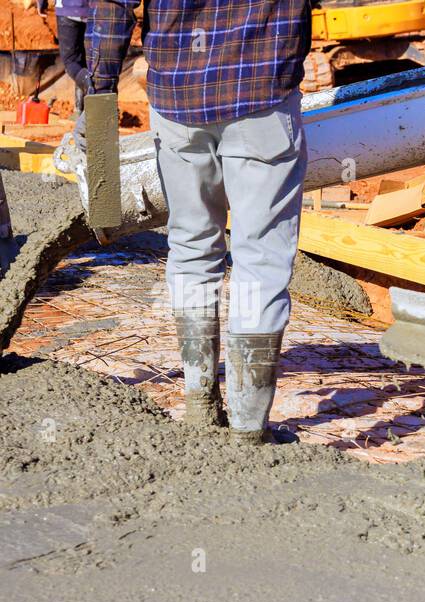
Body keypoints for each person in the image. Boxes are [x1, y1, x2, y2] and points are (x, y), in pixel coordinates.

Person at [84, 0, 312, 444]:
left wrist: (98, 97)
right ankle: (248, 431)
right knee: (259, 263)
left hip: (178, 101)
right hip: (261, 94)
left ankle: (200, 404)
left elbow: (112, 5)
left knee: (191, 248)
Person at [37, 0, 91, 114]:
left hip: (67, 8)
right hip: (96, 10)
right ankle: (82, 109)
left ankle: (94, 91)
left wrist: (42, 4)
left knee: (72, 61)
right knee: (89, 61)